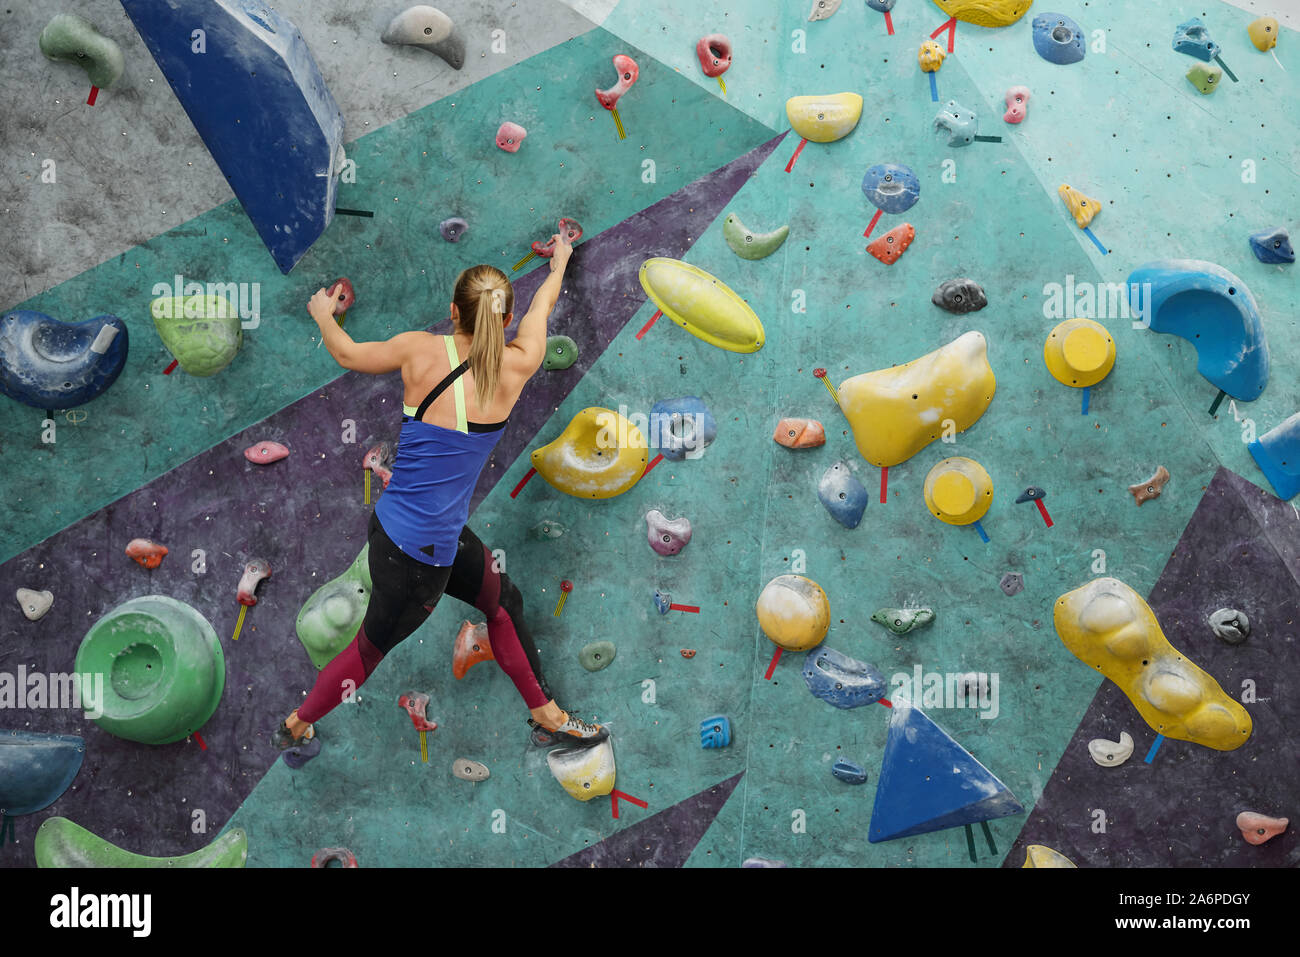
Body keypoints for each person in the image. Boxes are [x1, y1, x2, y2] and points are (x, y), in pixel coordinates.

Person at [278, 233, 607, 750]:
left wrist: (323, 312)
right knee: (368, 650)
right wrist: (560, 260)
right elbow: (543, 308)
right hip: (419, 563)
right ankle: (296, 724)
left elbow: (347, 354)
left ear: (453, 311)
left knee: (504, 601)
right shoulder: (519, 361)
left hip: (402, 530)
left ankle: (546, 715)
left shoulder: (417, 349)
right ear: (504, 321)